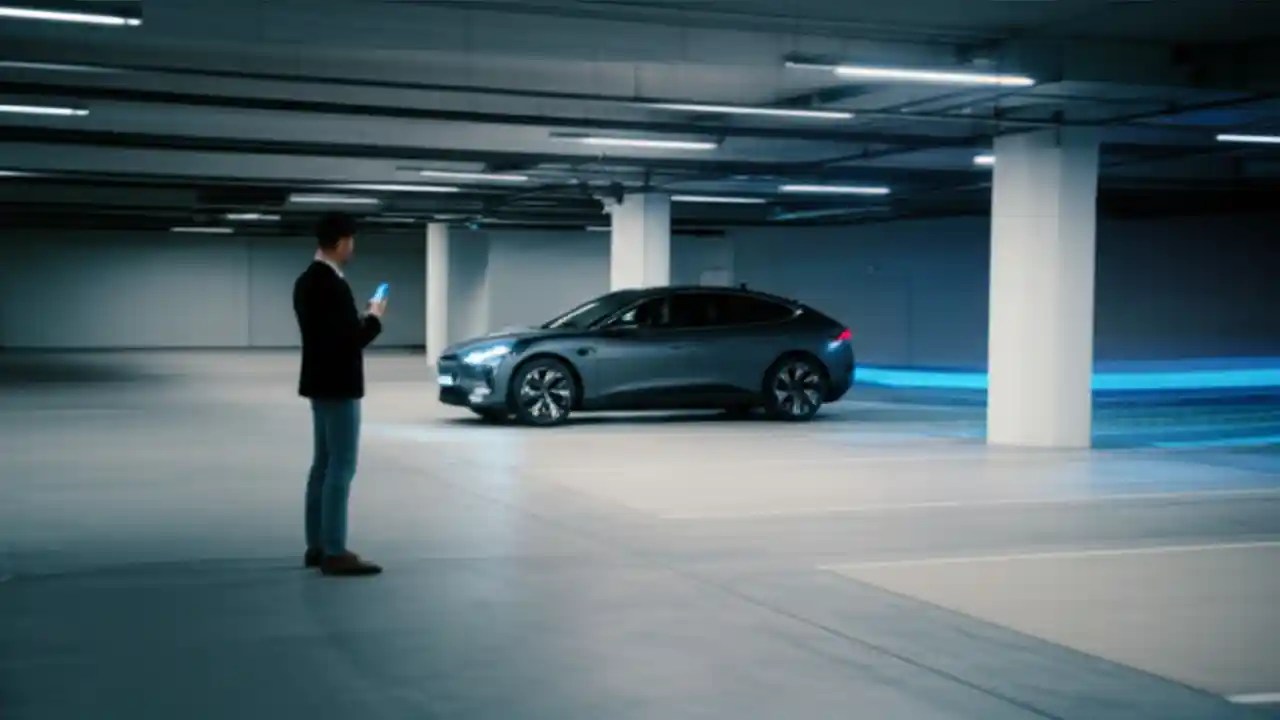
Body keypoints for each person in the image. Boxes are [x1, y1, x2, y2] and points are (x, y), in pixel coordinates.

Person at [293, 212, 386, 576]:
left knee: (322, 464)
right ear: (342, 241)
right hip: (340, 384)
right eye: (352, 240)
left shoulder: (305, 281)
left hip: (318, 382)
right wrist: (374, 318)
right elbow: (351, 342)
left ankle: (315, 545)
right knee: (341, 466)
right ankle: (335, 549)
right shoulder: (333, 286)